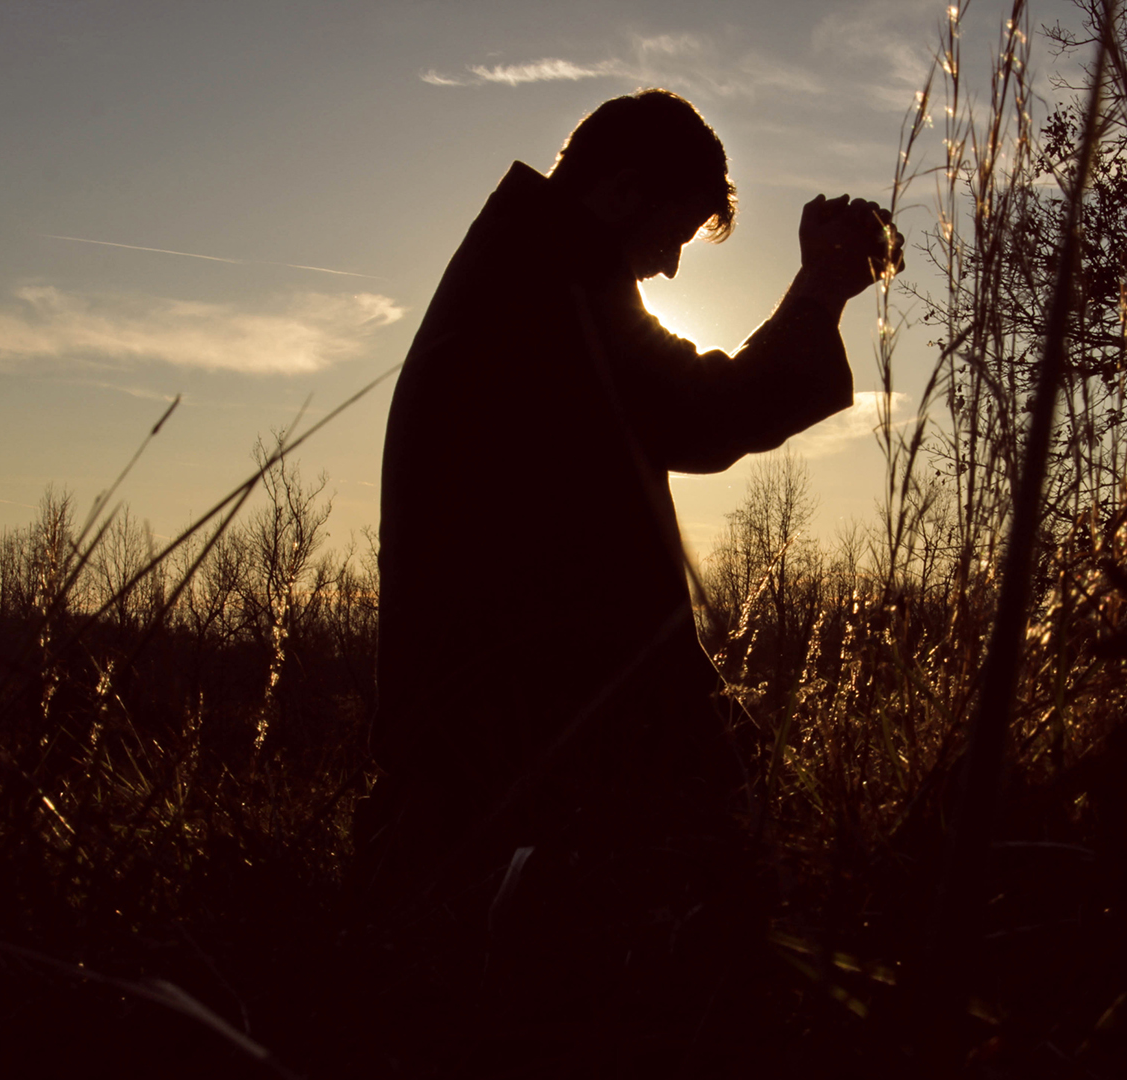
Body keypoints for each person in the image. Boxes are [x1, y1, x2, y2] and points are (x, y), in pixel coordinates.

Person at [354, 89, 899, 951]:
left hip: (504, 697)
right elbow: (707, 415)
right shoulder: (550, 284)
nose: (673, 268)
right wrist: (822, 291)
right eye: (674, 234)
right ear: (623, 190)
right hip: (527, 705)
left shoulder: (528, 264)